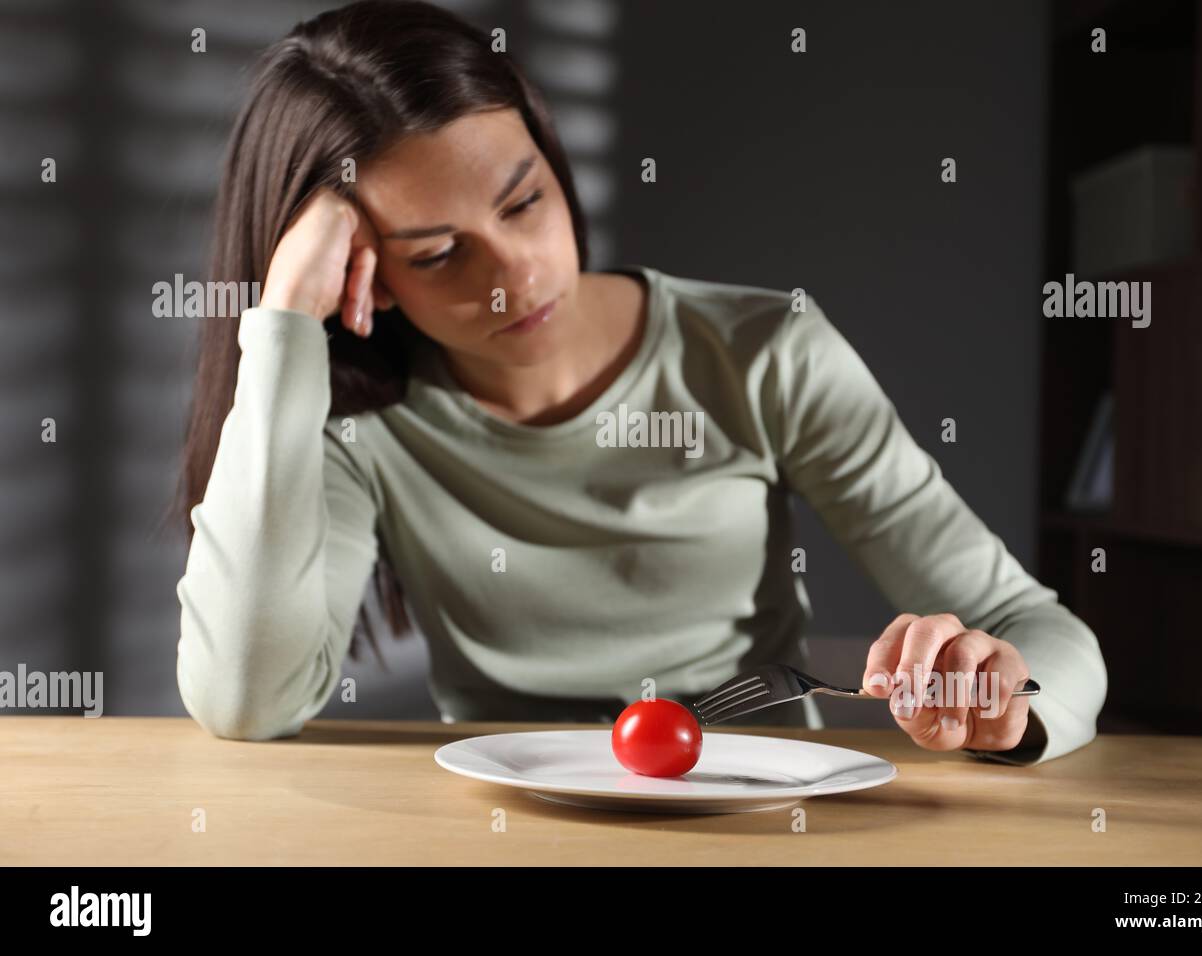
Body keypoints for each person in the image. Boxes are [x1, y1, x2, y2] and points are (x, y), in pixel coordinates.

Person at [173, 0, 1107, 766]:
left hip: (759, 827)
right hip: (509, 832)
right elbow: (248, 703)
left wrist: (1006, 704)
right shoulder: (347, 423)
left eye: (524, 201)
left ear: (552, 158)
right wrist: (287, 323)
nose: (519, 276)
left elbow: (1036, 628)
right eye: (441, 253)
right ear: (361, 273)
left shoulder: (761, 351)